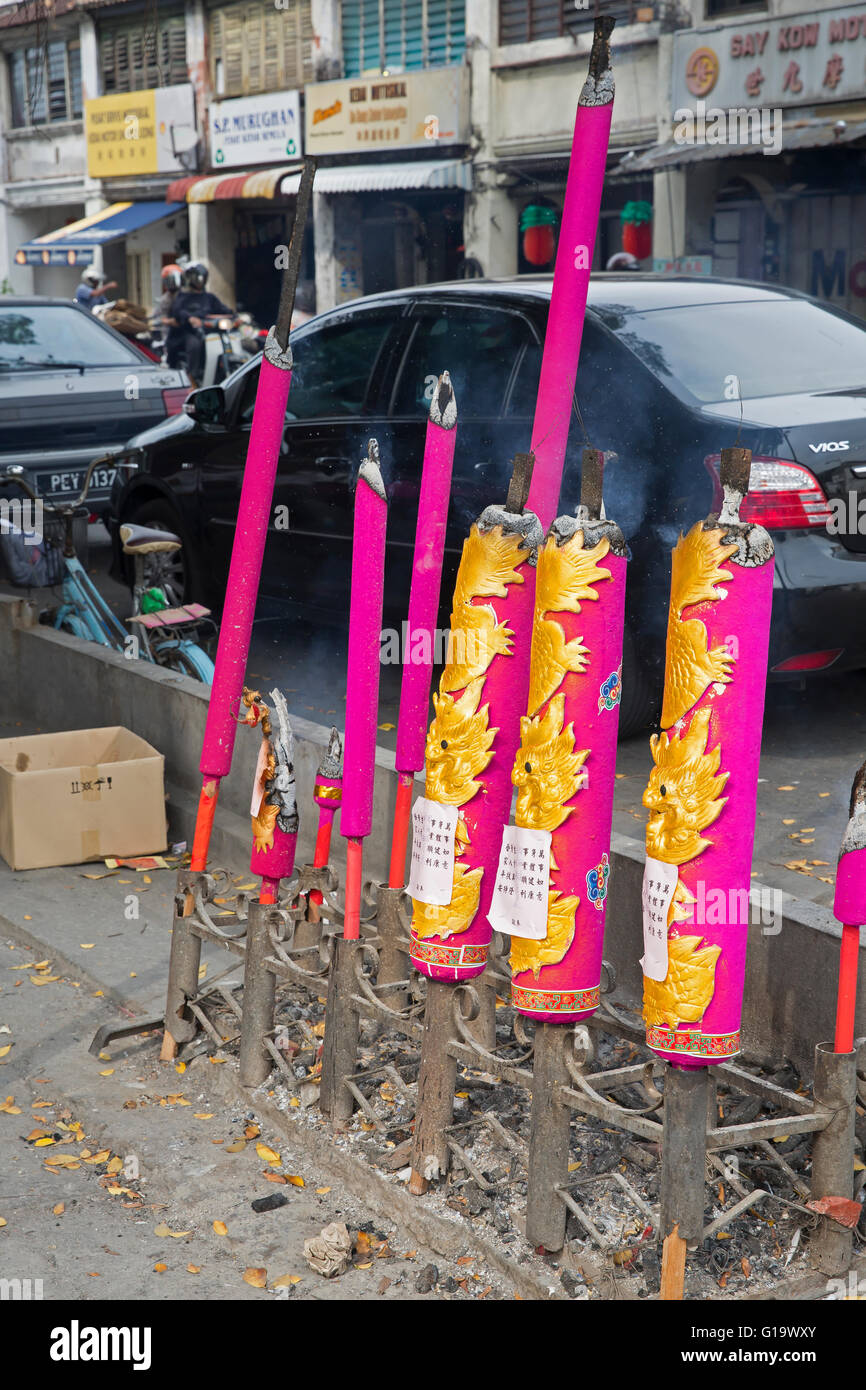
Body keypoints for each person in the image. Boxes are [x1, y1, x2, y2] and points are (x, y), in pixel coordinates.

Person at [166, 262, 233, 384]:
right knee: (195, 345)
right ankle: (193, 377)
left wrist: (237, 317)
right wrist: (189, 319)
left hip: (210, 332)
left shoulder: (209, 297)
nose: (198, 281)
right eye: (196, 278)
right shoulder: (183, 296)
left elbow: (225, 310)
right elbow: (177, 311)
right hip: (189, 332)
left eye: (201, 278)